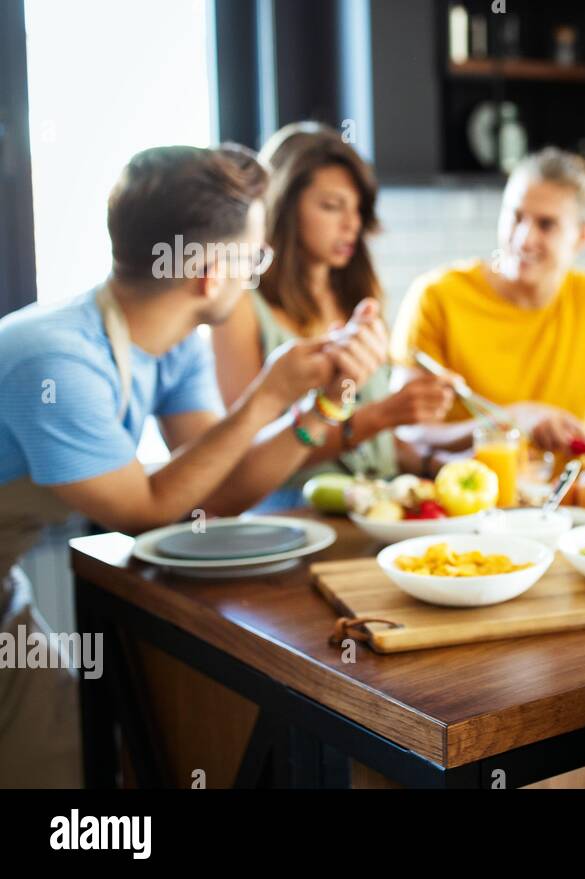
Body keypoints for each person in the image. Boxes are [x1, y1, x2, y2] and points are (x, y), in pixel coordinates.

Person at [0, 144, 387, 787]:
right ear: (210, 275)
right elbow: (142, 510)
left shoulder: (168, 344)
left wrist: (321, 404)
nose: (258, 275)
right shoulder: (58, 363)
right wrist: (267, 393)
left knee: (66, 759)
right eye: (255, 258)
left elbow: (212, 492)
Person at [211, 124, 456, 505]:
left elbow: (382, 449)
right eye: (331, 206)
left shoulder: (359, 299)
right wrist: (380, 415)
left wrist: (436, 464)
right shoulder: (240, 308)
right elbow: (247, 456)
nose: (351, 224)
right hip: (291, 517)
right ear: (283, 206)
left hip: (378, 511)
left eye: (357, 209)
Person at [388, 147, 585, 465]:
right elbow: (406, 431)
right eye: (516, 216)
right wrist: (512, 419)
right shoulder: (436, 297)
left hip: (568, 503)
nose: (523, 238)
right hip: (469, 500)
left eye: (546, 224)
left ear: (583, 236)